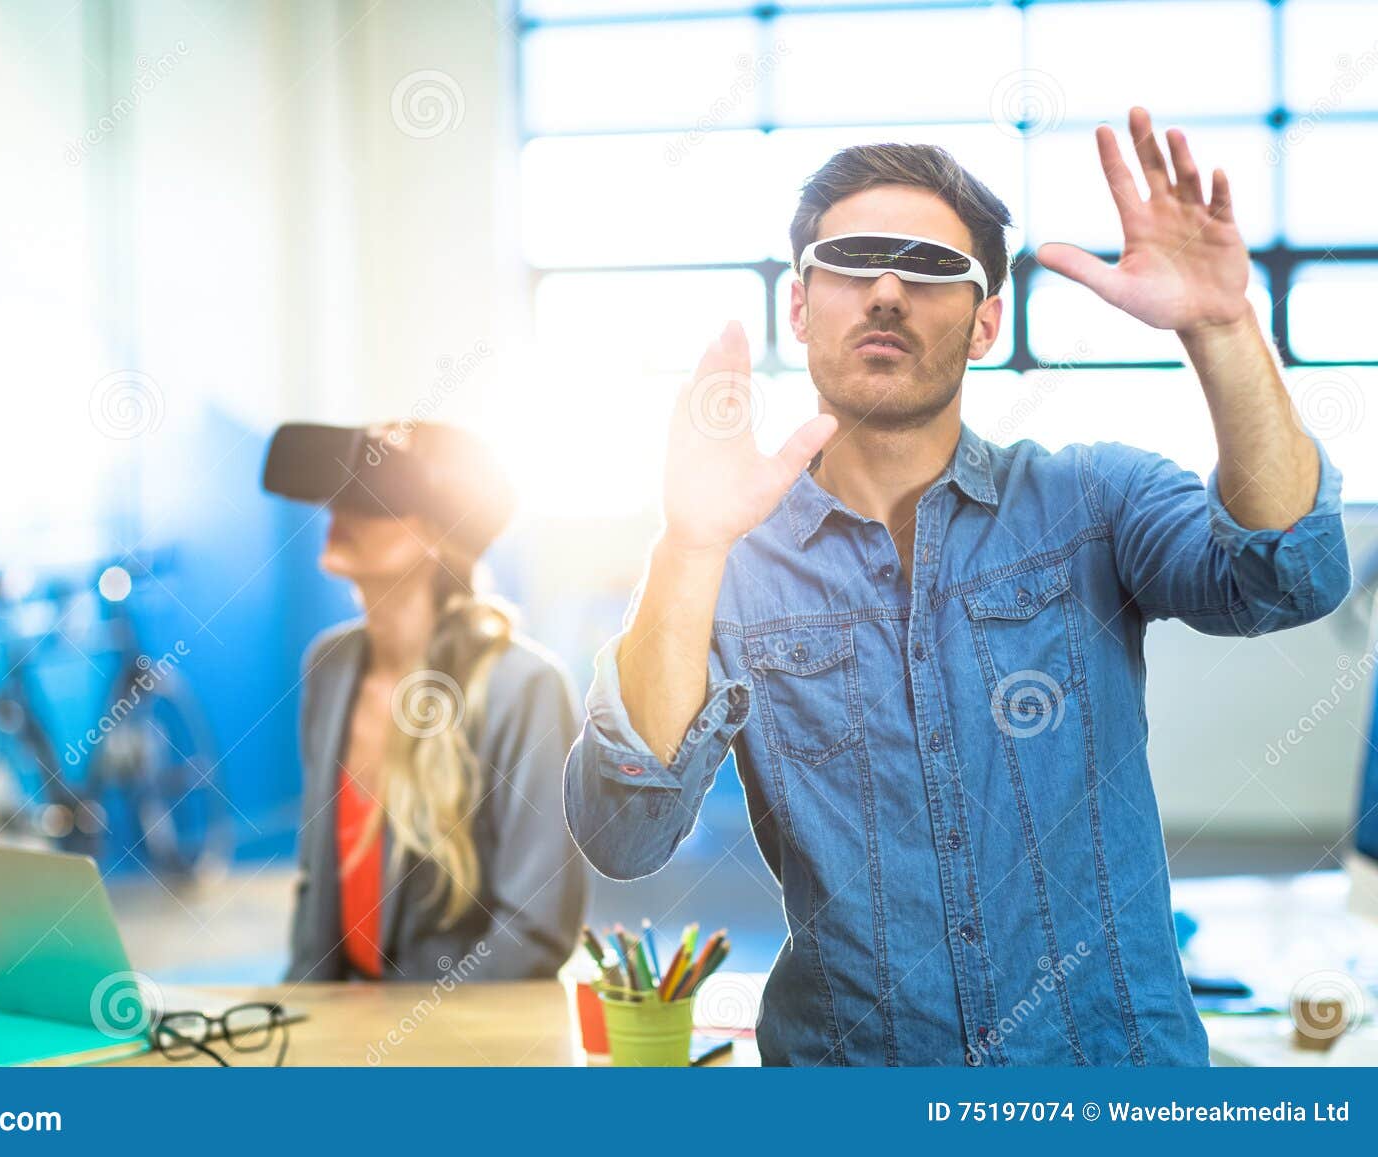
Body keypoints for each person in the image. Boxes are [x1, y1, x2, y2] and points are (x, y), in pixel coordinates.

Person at [563, 106, 1351, 1066]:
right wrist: (690, 544)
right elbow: (624, 833)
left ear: (985, 325)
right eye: (852, 260)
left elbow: (1293, 575)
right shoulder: (723, 560)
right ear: (801, 309)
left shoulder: (1093, 500)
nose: (888, 291)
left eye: (933, 268)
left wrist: (1223, 329)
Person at [266, 420, 587, 982]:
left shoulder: (524, 687)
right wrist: (297, 1015)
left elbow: (534, 928)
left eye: (375, 498)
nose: (343, 510)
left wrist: (414, 1029)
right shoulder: (329, 667)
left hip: (461, 1030)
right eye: (343, 491)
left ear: (440, 535)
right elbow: (318, 885)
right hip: (345, 1024)